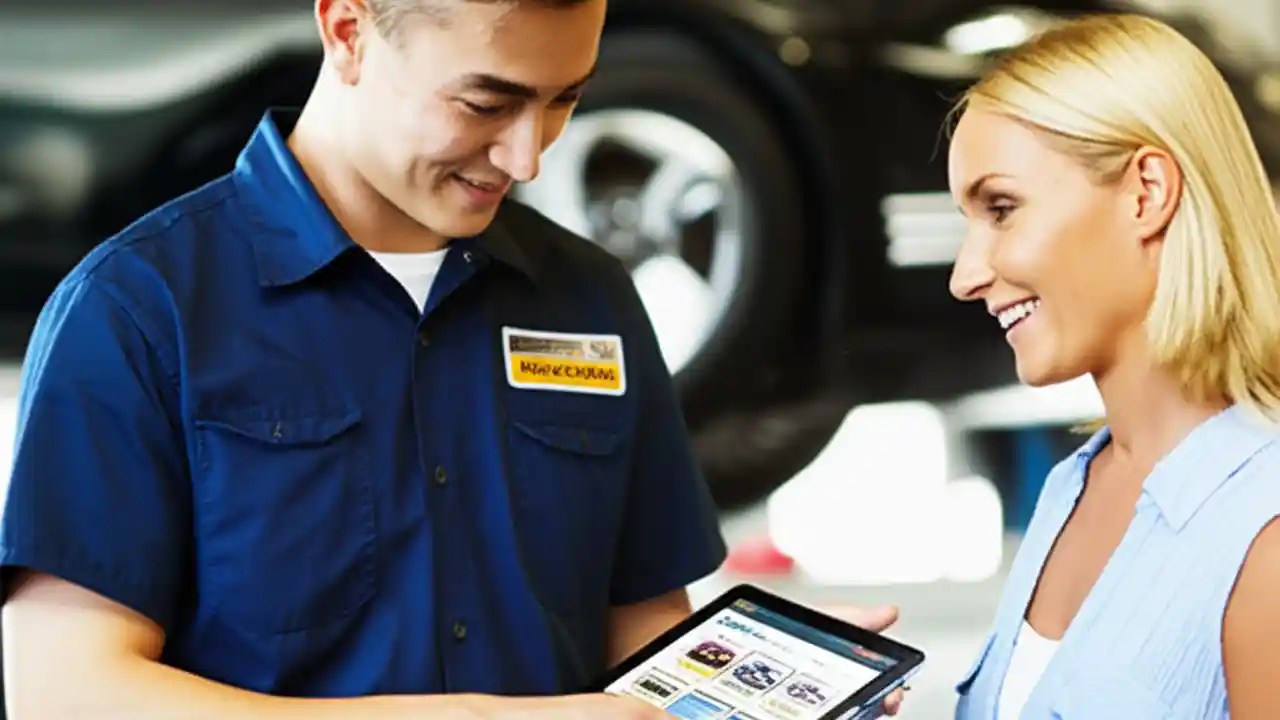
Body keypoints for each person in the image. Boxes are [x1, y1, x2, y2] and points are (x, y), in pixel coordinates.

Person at [0, 0, 907, 717]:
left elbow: (640, 626)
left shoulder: (589, 299)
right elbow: (66, 692)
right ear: (349, 31)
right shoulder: (139, 306)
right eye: (487, 101)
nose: (529, 155)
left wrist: (748, 689)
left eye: (565, 100)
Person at [946, 12, 1280, 719]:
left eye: (1002, 209)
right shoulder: (1074, 487)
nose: (966, 274)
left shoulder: (1267, 529)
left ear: (1146, 194)